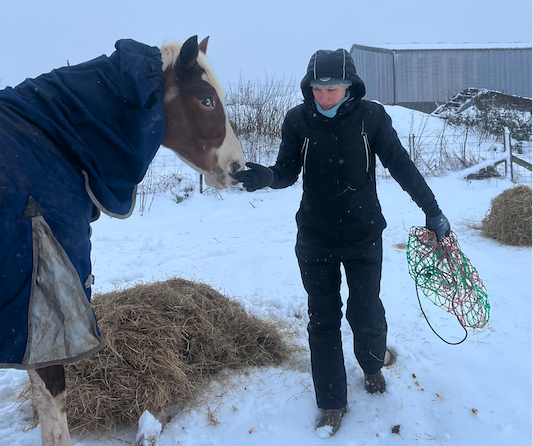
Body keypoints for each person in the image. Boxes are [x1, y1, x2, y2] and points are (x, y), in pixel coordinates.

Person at [234, 48, 450, 437]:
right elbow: (286, 171)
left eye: (332, 89)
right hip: (315, 237)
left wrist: (431, 209)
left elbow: (401, 165)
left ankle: (371, 366)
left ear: (349, 86)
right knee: (322, 319)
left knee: (366, 311)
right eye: (318, 88)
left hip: (363, 233)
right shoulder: (298, 121)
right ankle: (332, 402)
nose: (324, 96)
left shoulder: (372, 118)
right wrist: (266, 176)